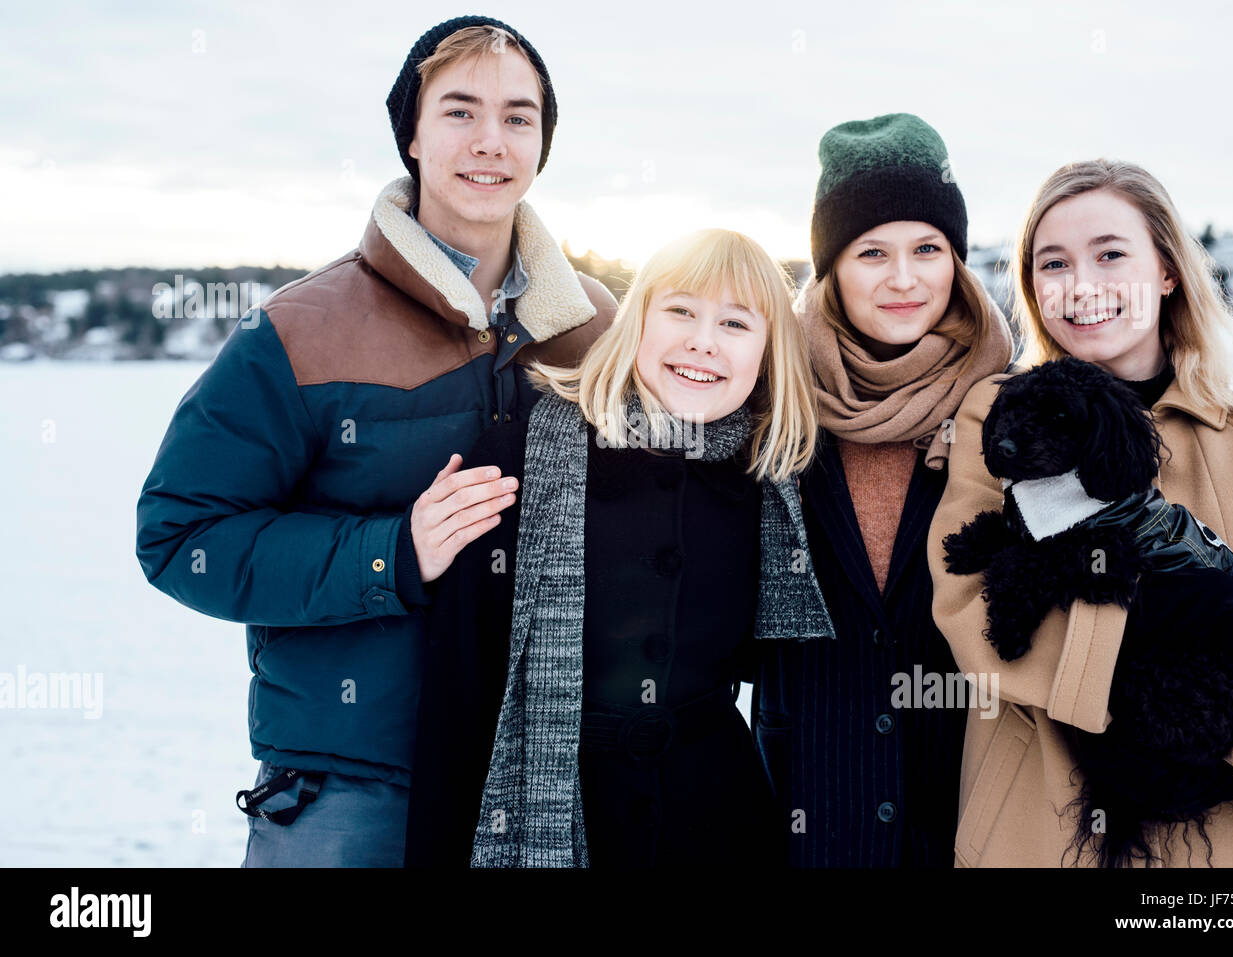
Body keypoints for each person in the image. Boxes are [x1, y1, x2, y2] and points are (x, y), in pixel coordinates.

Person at [135, 17, 617, 867]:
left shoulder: (596, 326)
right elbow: (181, 537)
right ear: (412, 133)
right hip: (353, 795)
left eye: (518, 117)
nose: (489, 142)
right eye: (460, 111)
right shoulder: (298, 331)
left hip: (552, 788)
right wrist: (392, 553)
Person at [404, 229, 835, 867]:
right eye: (681, 310)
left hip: (719, 824)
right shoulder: (523, 457)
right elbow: (458, 691)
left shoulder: (776, 486)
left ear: (768, 354)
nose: (703, 341)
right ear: (638, 320)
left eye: (737, 323)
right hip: (563, 815)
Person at [927, 158, 1233, 866]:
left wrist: (1229, 745)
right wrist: (1123, 687)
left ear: (1167, 270)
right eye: (1054, 263)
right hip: (1039, 833)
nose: (1082, 286)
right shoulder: (999, 414)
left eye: (1110, 254)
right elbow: (971, 606)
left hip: (1230, 840)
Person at [751, 114, 1015, 866]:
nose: (904, 279)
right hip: (807, 822)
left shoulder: (1014, 411)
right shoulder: (772, 405)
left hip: (968, 828)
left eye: (927, 249)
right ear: (832, 267)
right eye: (872, 252)